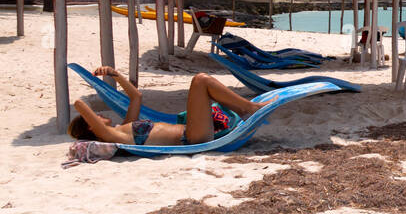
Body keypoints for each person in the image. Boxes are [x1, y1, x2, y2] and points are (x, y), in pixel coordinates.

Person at [68, 67, 269, 147]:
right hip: (191, 138)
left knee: (203, 84)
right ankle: (248, 109)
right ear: (90, 126)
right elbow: (79, 104)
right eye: (95, 116)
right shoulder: (114, 137)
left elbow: (136, 97)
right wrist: (86, 113)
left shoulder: (124, 127)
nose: (99, 114)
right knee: (201, 81)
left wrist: (115, 74)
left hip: (193, 130)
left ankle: (246, 108)